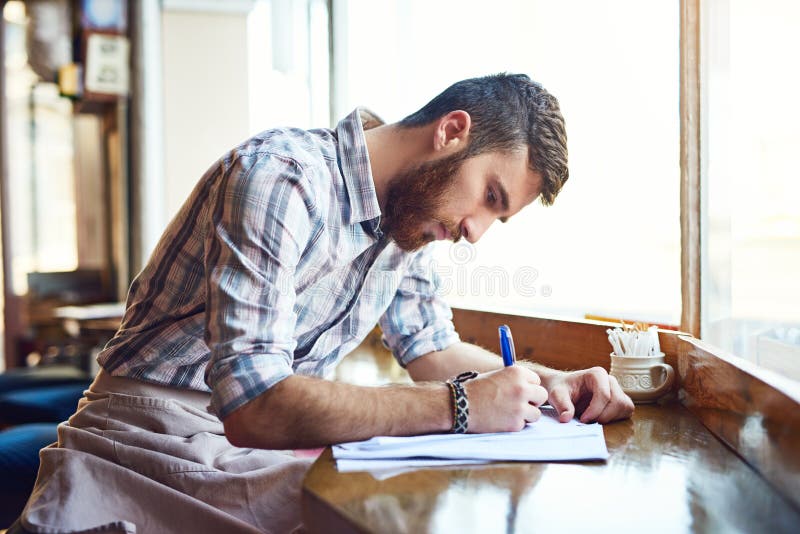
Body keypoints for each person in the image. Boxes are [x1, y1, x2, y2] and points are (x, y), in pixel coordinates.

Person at [19, 73, 633, 533]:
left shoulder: (409, 224)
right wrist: (461, 405)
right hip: (143, 446)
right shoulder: (280, 178)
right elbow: (254, 405)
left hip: (244, 456)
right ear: (451, 132)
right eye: (489, 197)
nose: (476, 232)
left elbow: (434, 351)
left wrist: (551, 383)